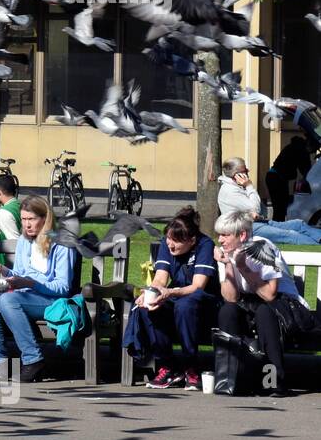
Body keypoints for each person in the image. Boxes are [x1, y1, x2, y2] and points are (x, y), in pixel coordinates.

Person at [0, 195, 75, 383]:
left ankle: (33, 360)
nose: (26, 224)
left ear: (45, 218)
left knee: (7, 300)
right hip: (25, 295)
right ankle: (1, 362)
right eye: (23, 219)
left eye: (31, 219)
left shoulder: (62, 243)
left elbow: (63, 287)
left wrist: (30, 283)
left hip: (51, 300)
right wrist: (3, 270)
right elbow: (20, 272)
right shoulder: (25, 240)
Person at [212, 211, 308, 397]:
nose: (220, 240)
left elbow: (270, 294)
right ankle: (231, 379)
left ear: (242, 235)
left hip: (283, 306)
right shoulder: (226, 253)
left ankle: (274, 382)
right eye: (219, 234)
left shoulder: (262, 247)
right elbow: (231, 298)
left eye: (225, 235)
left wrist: (243, 267)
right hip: (251, 304)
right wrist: (228, 265)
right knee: (227, 311)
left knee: (265, 311)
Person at [125, 208, 219, 390]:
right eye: (168, 238)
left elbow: (197, 286)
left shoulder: (204, 245)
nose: (170, 244)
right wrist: (150, 293)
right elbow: (160, 278)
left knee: (185, 305)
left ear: (191, 241)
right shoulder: (166, 244)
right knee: (147, 306)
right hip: (177, 296)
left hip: (203, 303)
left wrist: (169, 292)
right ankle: (167, 367)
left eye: (176, 241)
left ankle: (191, 367)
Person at [219, 158, 321, 245]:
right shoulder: (230, 191)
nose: (248, 170)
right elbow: (256, 209)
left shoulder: (239, 187)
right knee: (291, 235)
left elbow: (261, 211)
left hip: (256, 222)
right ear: (237, 175)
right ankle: (317, 245)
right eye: (245, 170)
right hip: (246, 228)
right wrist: (249, 186)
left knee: (298, 224)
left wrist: (255, 213)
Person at [265, 135, 312, 222]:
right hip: (277, 178)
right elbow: (306, 169)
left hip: (273, 176)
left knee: (279, 207)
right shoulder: (301, 150)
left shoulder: (292, 146)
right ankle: (278, 229)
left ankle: (278, 228)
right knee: (280, 208)